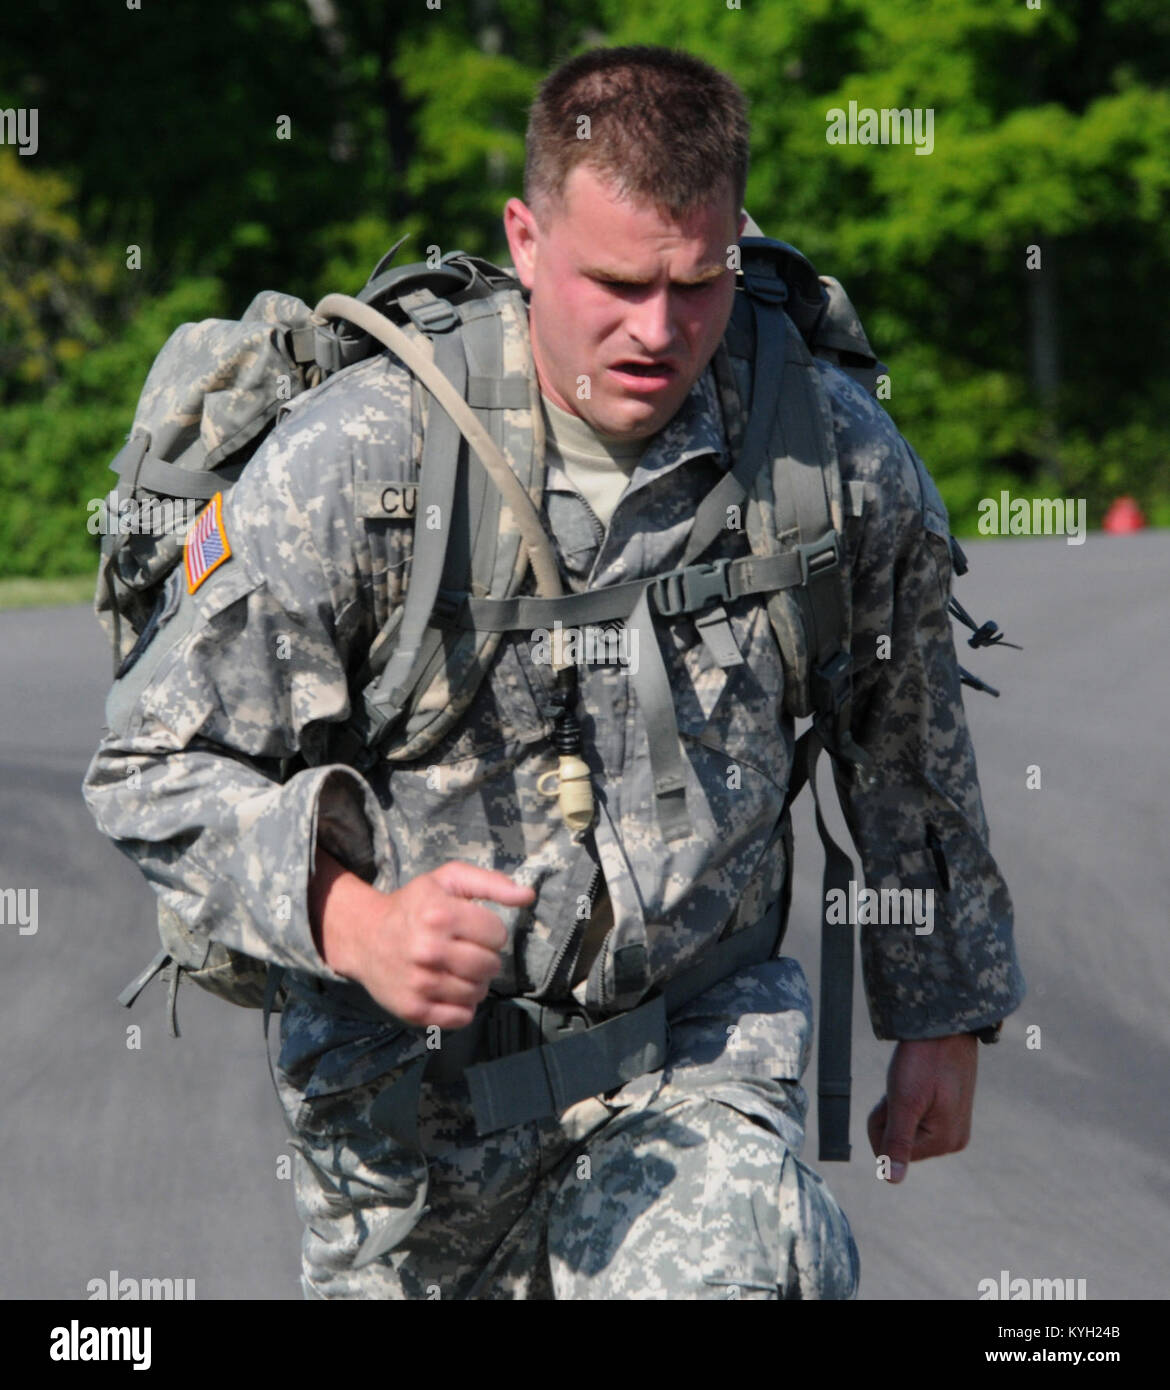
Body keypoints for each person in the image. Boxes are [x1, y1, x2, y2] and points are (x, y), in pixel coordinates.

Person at [82, 45, 1025, 1300]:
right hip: (406, 1110)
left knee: (739, 1260)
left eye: (699, 284)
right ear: (526, 239)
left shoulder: (822, 453)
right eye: (618, 283)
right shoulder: (363, 462)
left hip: (696, 1054)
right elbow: (153, 765)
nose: (659, 330)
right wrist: (355, 922)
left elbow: (904, 728)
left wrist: (942, 1011)